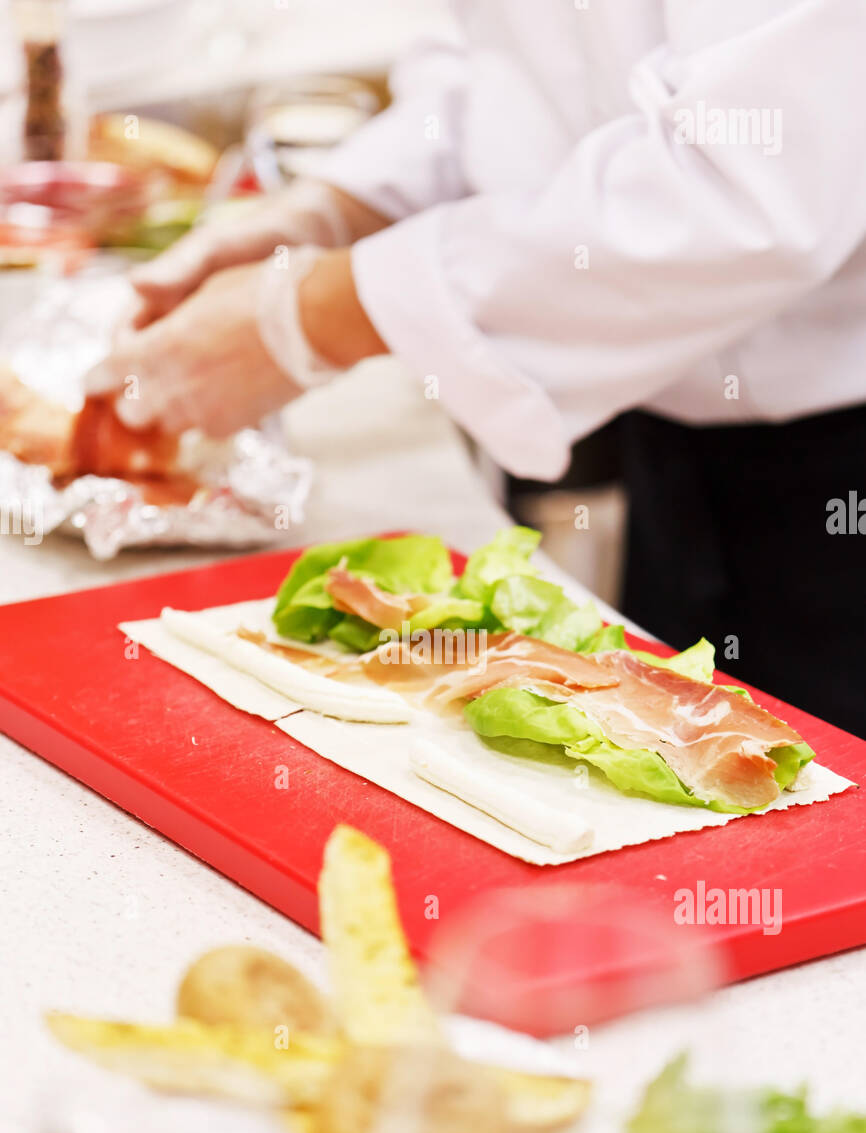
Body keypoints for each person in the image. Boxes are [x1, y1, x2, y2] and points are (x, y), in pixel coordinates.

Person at [87, 0, 866, 736]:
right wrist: (339, 209)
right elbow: (507, 66)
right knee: (670, 786)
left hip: (838, 456)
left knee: (826, 820)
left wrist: (316, 314)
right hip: (670, 428)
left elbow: (753, 187)